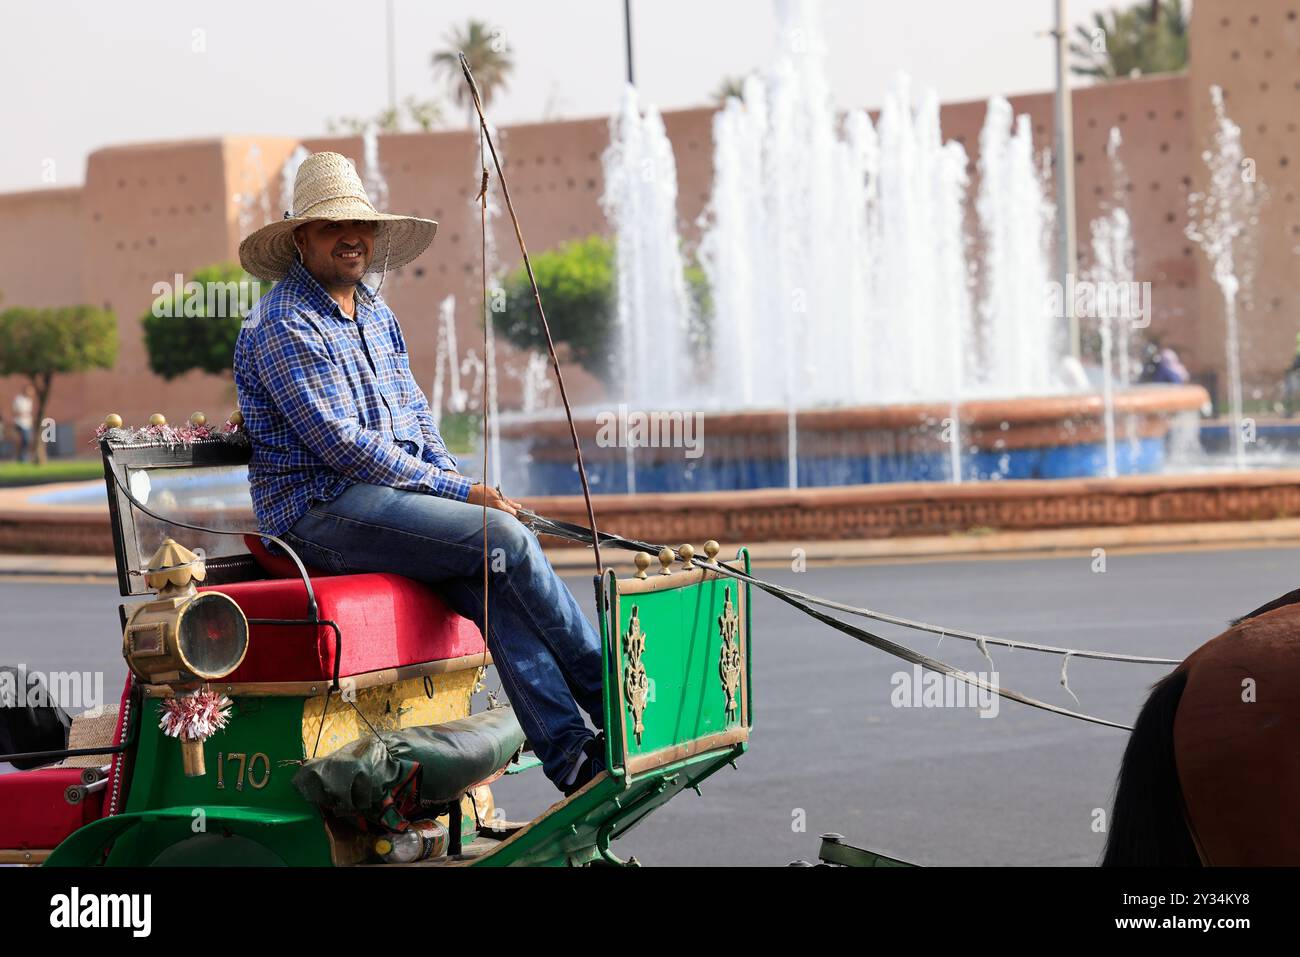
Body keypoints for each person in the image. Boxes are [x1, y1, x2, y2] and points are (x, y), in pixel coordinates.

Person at [234, 152, 604, 795]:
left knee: (490, 574)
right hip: (316, 514)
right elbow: (342, 447)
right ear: (301, 239)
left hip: (377, 504)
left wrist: (457, 486)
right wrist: (464, 495)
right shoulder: (283, 323)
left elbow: (417, 423)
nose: (353, 238)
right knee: (505, 541)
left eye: (363, 226)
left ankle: (572, 755)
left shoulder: (375, 313)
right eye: (332, 227)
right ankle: (609, 695)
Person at [11, 385, 34, 462]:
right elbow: (15, 411)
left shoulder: (29, 400)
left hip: (28, 423)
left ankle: (24, 456)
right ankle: (21, 457)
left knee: (28, 440)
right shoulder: (19, 399)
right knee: (24, 439)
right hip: (20, 423)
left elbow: (29, 413)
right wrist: (23, 414)